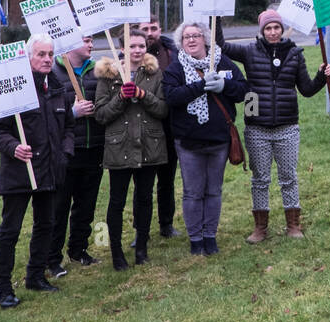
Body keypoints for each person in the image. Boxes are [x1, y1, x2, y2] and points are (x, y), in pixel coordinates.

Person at [222, 8, 330, 242]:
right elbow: (221, 45)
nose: (272, 32)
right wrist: (217, 14)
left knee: (288, 177)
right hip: (257, 126)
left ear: (282, 29)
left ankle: (293, 225)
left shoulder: (295, 53)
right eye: (268, 28)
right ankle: (260, 228)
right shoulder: (249, 51)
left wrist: (322, 76)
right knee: (260, 178)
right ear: (262, 31)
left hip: (287, 126)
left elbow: (306, 89)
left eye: (276, 28)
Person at [0, 35, 74, 308]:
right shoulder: (12, 90)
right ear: (27, 57)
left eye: (50, 54)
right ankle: (2, 288)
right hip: (19, 173)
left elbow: (69, 127)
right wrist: (13, 148)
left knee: (46, 224)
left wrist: (64, 154)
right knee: (10, 230)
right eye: (41, 54)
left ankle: (35, 276)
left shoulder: (58, 88)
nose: (47, 59)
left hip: (50, 171)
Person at [163, 20, 249, 256]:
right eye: (186, 37)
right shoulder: (175, 68)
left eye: (196, 35)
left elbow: (242, 90)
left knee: (214, 191)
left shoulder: (221, 61)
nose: (191, 40)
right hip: (189, 142)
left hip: (219, 141)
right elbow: (172, 97)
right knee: (192, 192)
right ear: (181, 43)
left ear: (205, 39)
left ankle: (210, 236)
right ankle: (195, 238)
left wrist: (224, 85)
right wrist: (201, 86)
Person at [94, 27, 168, 269]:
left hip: (149, 145)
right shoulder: (109, 75)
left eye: (141, 46)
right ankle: (116, 253)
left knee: (145, 198)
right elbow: (101, 114)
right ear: (122, 48)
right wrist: (121, 98)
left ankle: (142, 249)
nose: (137, 50)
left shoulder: (154, 74)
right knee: (117, 200)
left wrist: (142, 94)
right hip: (120, 146)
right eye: (132, 46)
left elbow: (163, 110)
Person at [51, 34, 104, 272]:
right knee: (59, 207)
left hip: (94, 149)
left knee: (86, 205)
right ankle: (52, 258)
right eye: (86, 40)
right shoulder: (53, 73)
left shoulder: (99, 70)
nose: (91, 44)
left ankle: (78, 249)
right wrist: (72, 113)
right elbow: (46, 115)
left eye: (92, 40)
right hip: (67, 151)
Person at [142, 16, 182, 238]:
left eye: (153, 28)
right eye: (145, 28)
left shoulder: (173, 52)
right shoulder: (129, 56)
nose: (150, 32)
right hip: (142, 128)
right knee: (143, 184)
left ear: (160, 30)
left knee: (166, 180)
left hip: (169, 126)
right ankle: (142, 229)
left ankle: (166, 224)